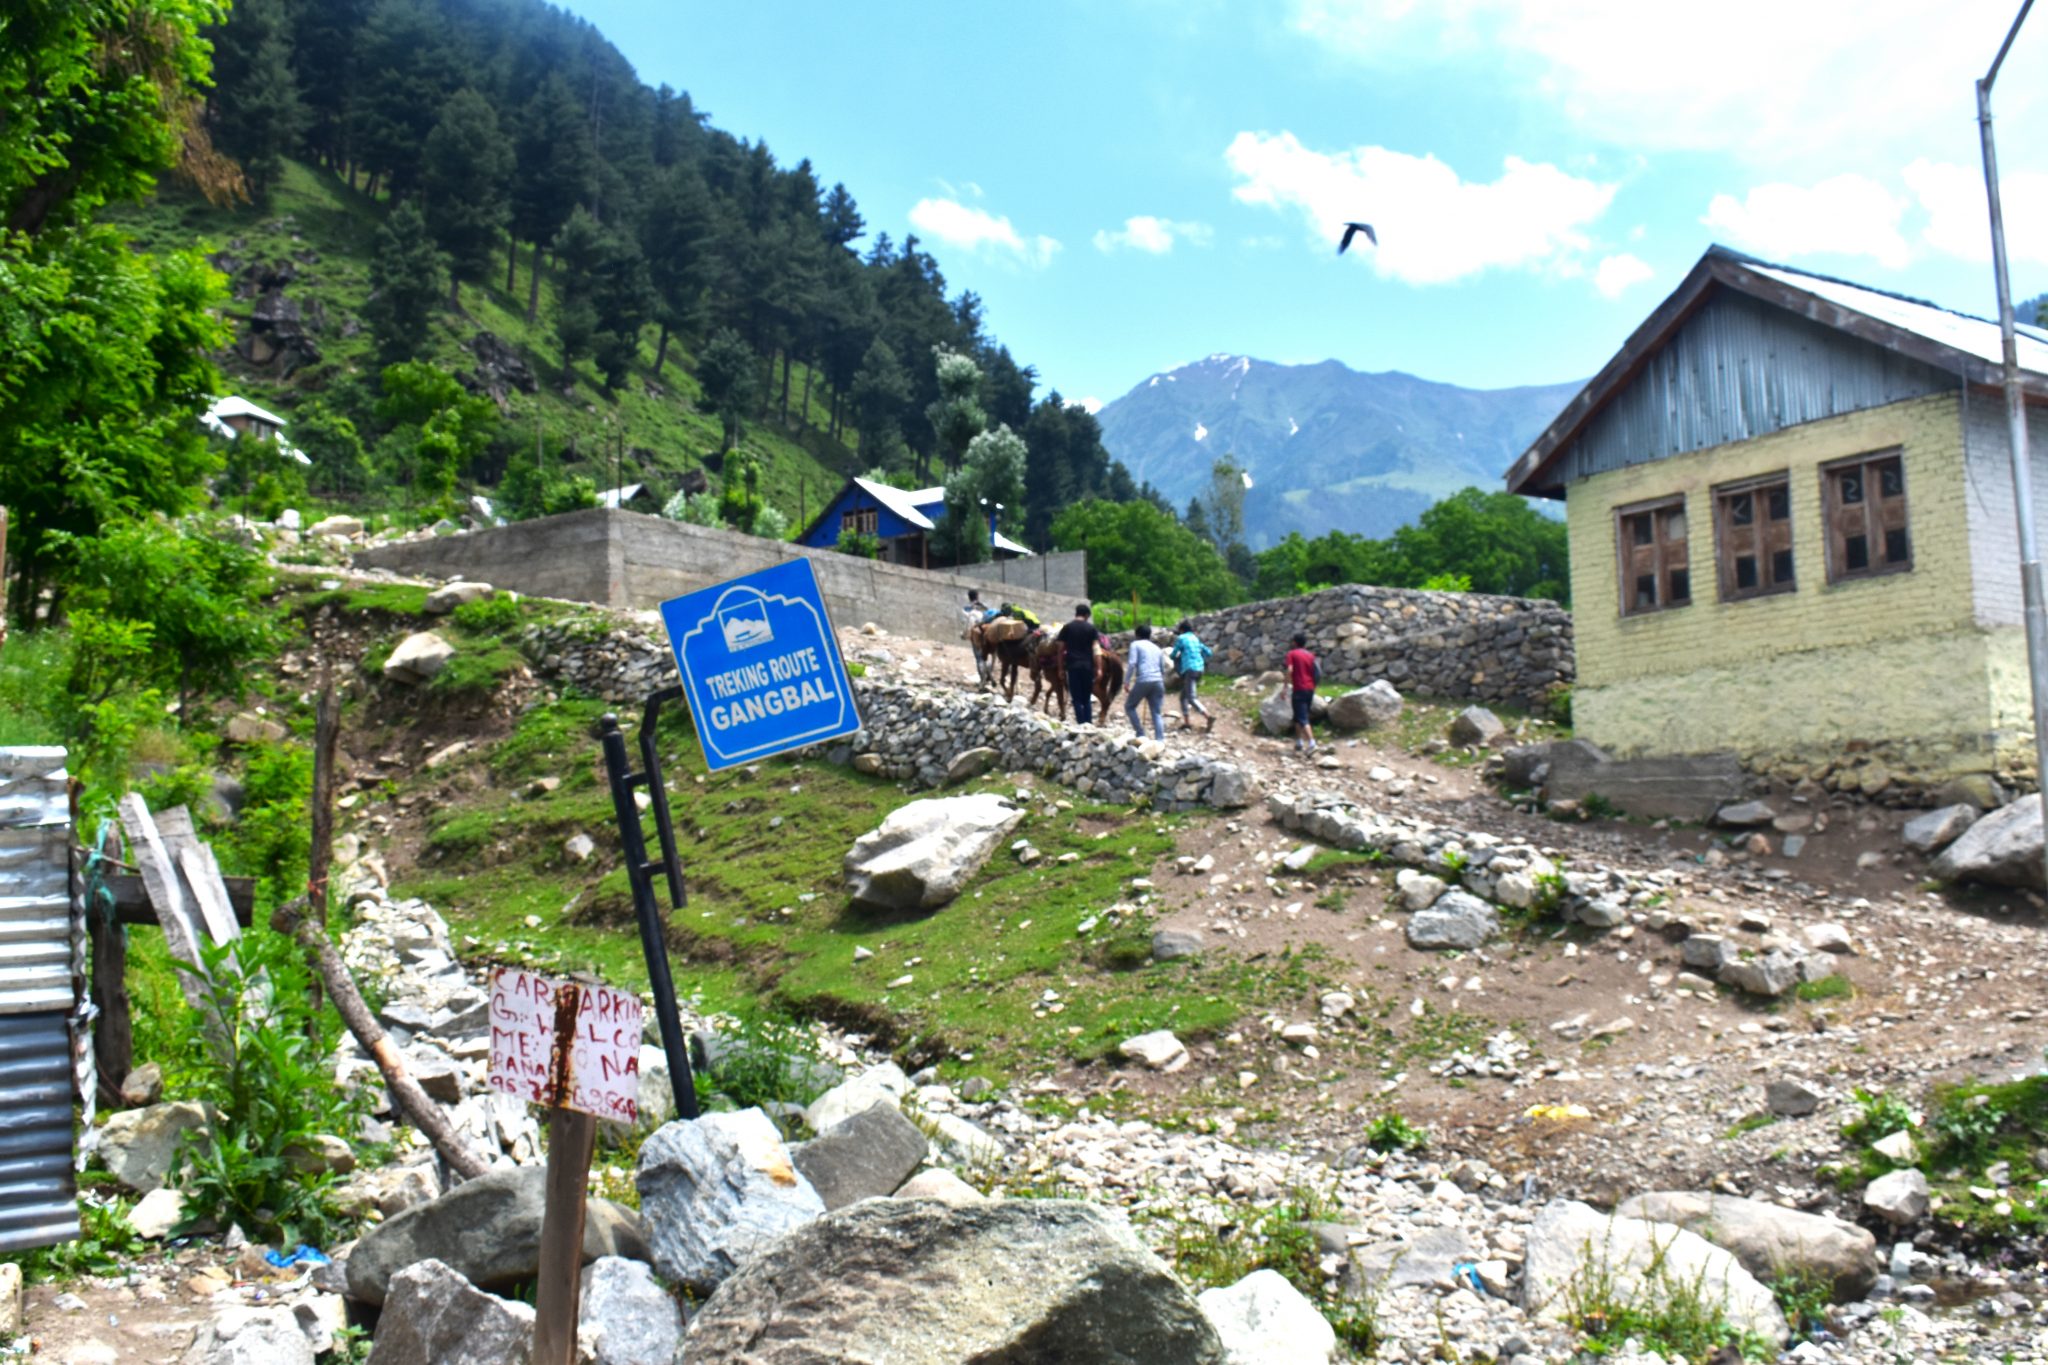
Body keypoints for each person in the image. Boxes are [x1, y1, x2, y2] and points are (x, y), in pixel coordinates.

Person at [1055, 602, 1101, 724]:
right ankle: (1088, 723)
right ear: (1086, 615)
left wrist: (1060, 669)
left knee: (1076, 698)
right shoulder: (1091, 629)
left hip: (1072, 666)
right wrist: (1099, 668)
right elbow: (1096, 650)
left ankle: (1080, 724)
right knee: (1086, 697)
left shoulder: (1067, 627)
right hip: (1087, 667)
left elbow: (1060, 649)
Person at [1169, 618, 1213, 732]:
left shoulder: (1182, 638)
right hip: (1200, 669)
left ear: (1181, 630)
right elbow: (1208, 652)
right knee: (1183, 697)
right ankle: (1187, 722)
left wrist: (1177, 657)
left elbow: (1173, 654)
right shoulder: (1195, 639)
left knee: (1191, 698)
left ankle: (1208, 716)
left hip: (1189, 670)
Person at [1124, 624, 1166, 741]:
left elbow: (1132, 663)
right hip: (1158, 681)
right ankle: (1160, 740)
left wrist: (1126, 681)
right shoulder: (1157, 648)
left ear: (1137, 635)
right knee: (1156, 713)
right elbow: (1162, 668)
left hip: (1143, 679)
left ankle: (1140, 733)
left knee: (1129, 706)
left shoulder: (1135, 644)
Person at [1285, 631, 1320, 754]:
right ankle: (1299, 742)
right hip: (1310, 688)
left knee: (1303, 717)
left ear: (1294, 642)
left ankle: (1312, 743)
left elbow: (1290, 670)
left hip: (1299, 688)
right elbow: (1317, 672)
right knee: (1297, 716)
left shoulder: (1291, 654)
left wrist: (1285, 687)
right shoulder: (1310, 656)